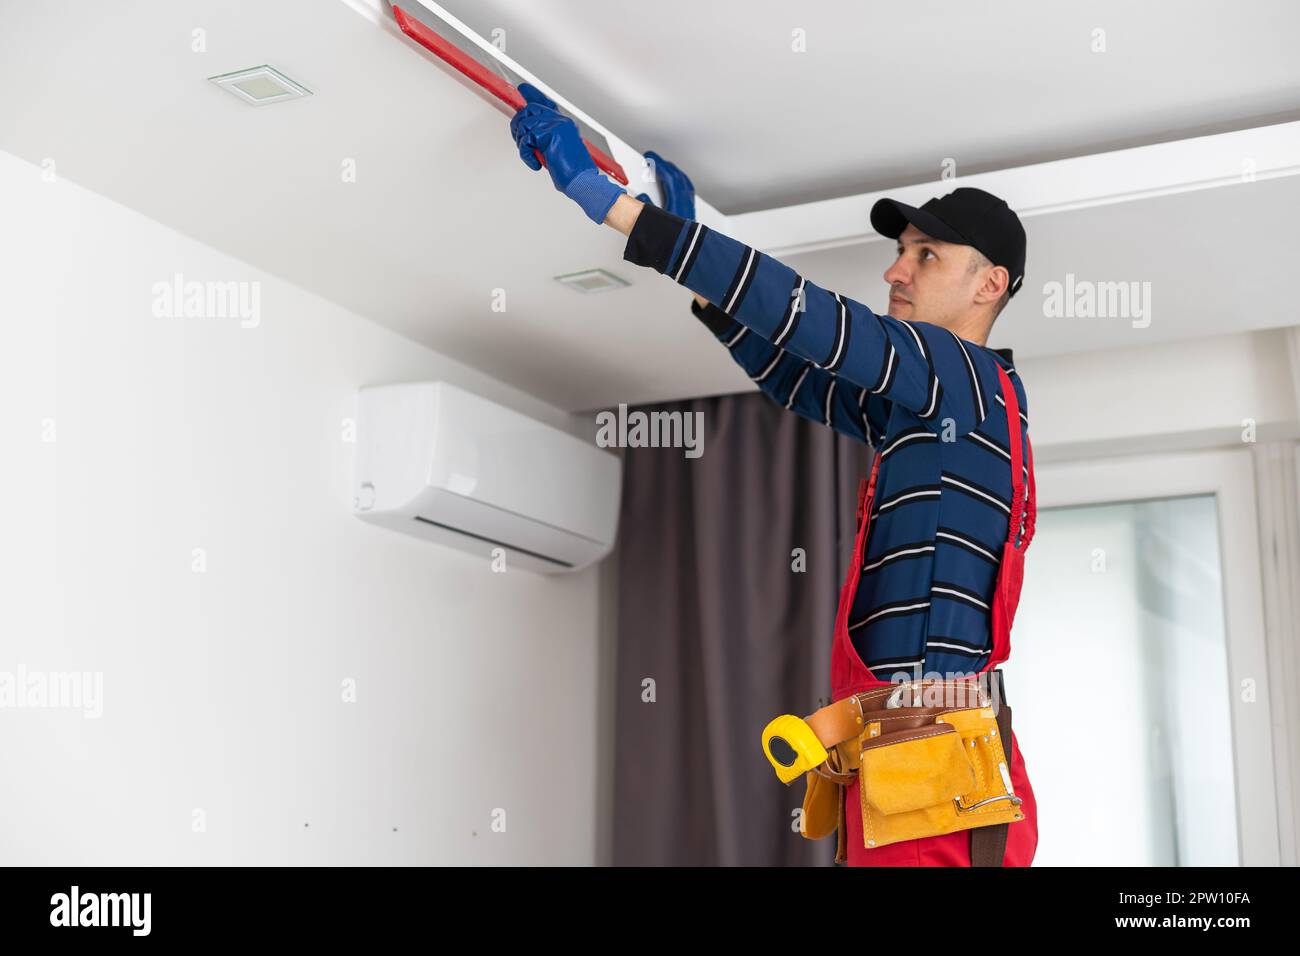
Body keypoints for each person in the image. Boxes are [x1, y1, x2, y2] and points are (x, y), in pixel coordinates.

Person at [509, 84, 1037, 866]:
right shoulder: (959, 405)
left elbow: (809, 318)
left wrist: (616, 209)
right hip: (929, 770)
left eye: (927, 255)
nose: (897, 270)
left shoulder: (948, 369)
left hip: (931, 778)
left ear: (989, 285)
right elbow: (799, 378)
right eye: (900, 251)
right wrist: (691, 262)